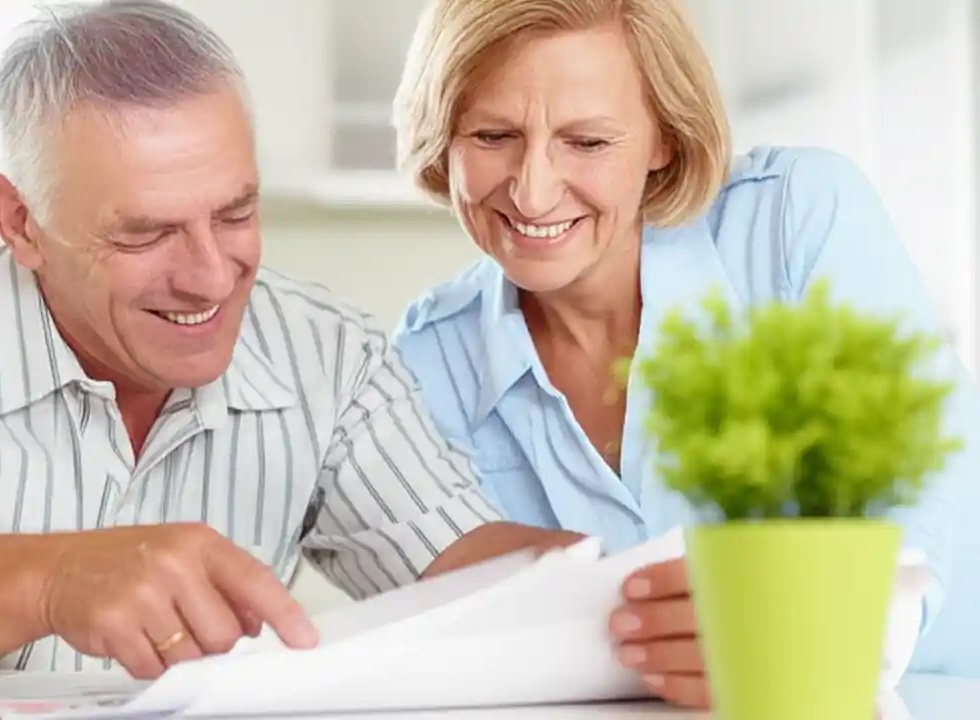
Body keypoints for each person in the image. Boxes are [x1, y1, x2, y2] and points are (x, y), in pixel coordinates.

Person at [0, 0, 584, 705]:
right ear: (20, 222)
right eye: (146, 233)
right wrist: (49, 581)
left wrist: (628, 595)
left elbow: (487, 582)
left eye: (236, 213)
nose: (209, 277)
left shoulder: (327, 356)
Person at [390, 0, 980, 707]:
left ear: (664, 139)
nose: (533, 189)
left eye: (588, 142)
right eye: (493, 135)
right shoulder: (425, 362)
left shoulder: (794, 220)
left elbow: (923, 461)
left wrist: (831, 634)